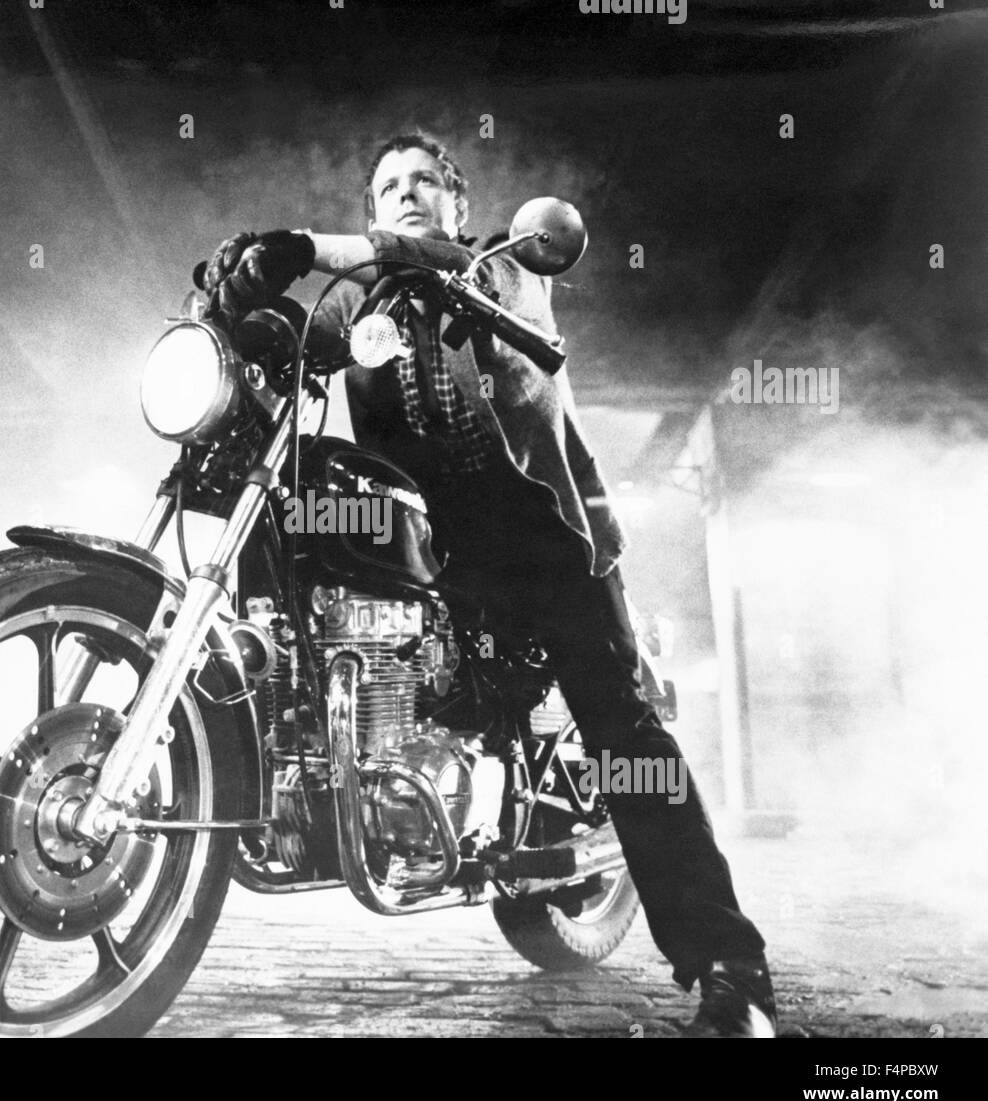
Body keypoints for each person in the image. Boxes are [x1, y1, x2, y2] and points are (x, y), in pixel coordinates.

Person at [199, 131, 776, 1037]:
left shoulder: (501, 267)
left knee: (624, 729)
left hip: (546, 537)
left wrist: (303, 249)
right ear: (372, 207)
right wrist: (227, 298)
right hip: (435, 550)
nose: (408, 194)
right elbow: (292, 345)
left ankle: (731, 972)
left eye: (427, 180)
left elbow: (427, 264)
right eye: (389, 185)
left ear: (460, 207)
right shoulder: (358, 308)